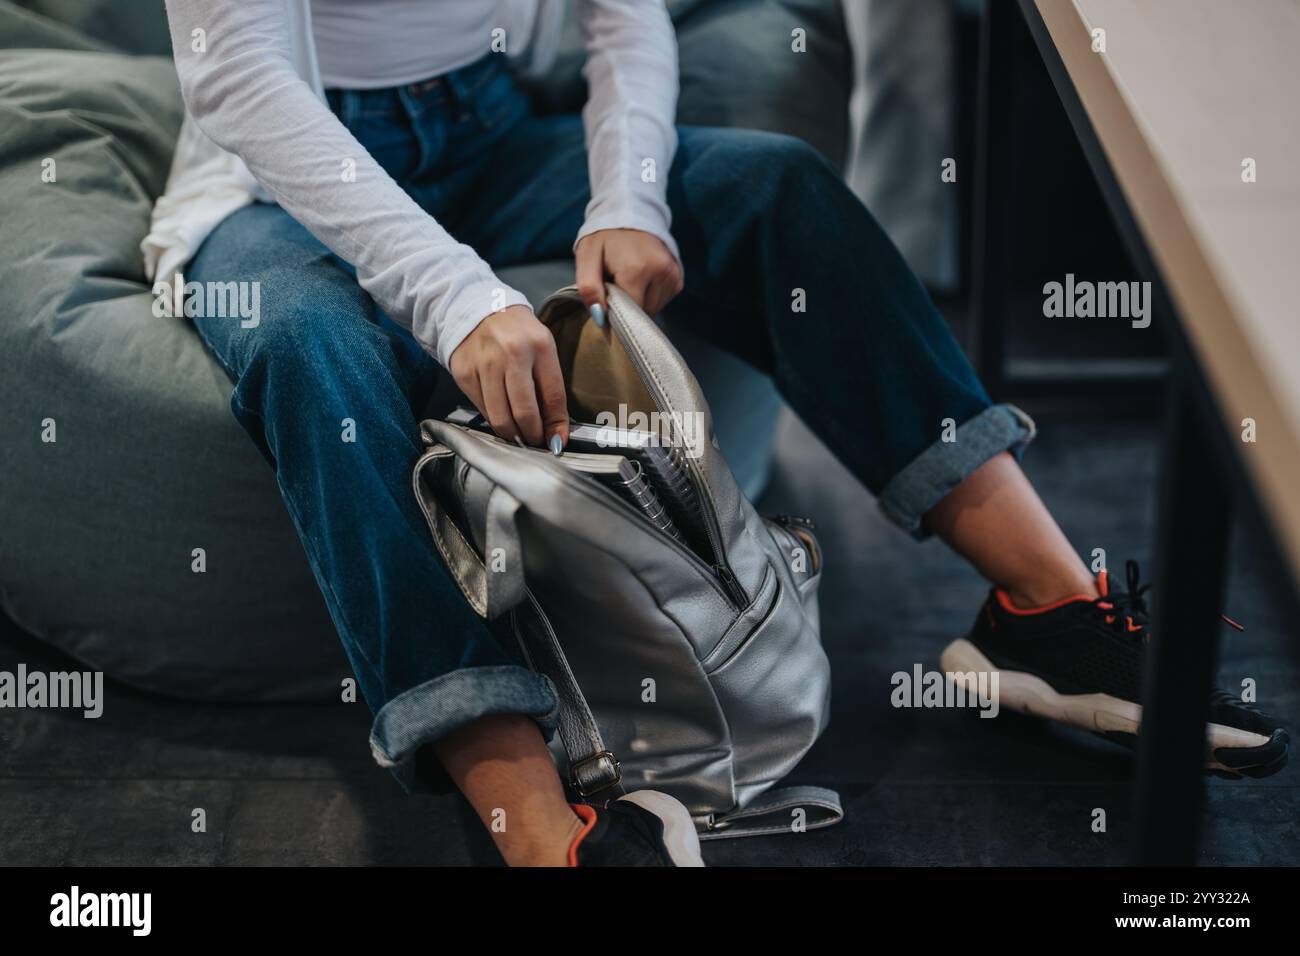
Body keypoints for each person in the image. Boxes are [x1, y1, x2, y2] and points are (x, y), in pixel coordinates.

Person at [148, 0, 1288, 867]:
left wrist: (628, 198)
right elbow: (240, 80)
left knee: (776, 188)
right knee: (307, 339)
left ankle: (1040, 614)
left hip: (487, 125)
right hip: (274, 170)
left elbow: (623, 15)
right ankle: (538, 817)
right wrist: (458, 298)